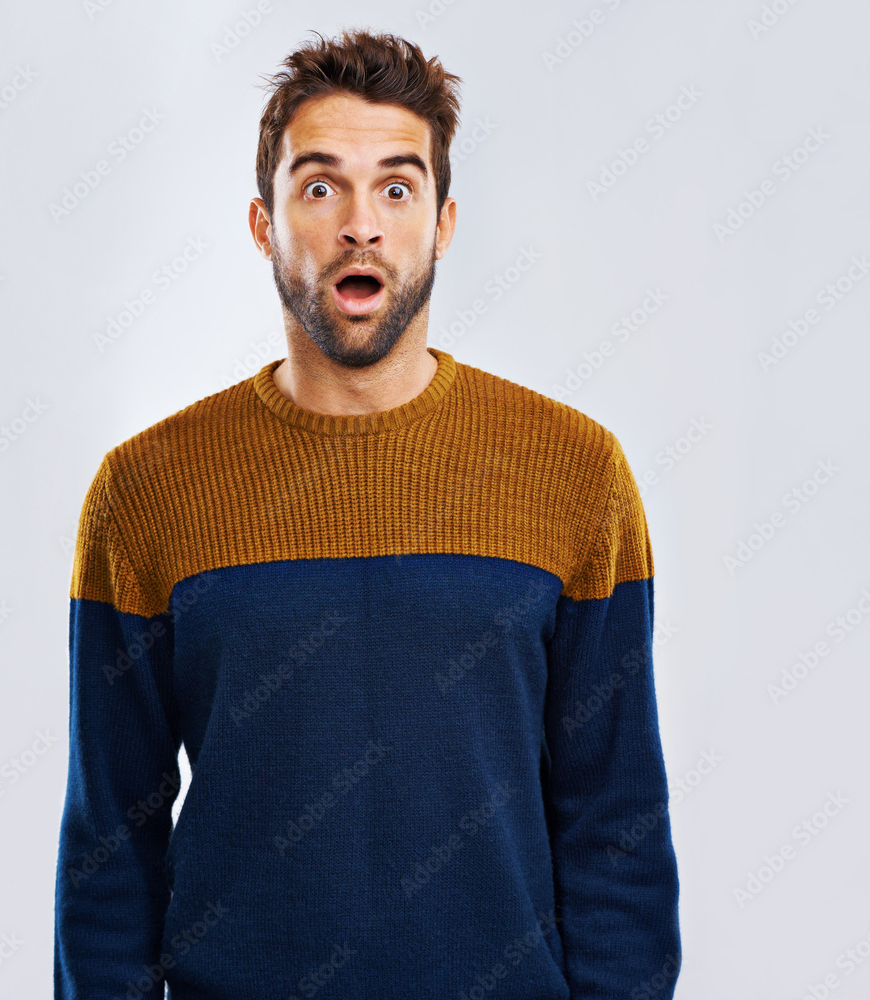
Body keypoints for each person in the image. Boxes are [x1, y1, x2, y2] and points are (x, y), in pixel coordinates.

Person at [53, 27, 681, 1000]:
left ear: (443, 222)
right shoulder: (146, 491)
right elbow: (110, 848)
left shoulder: (574, 472)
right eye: (319, 186)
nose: (361, 223)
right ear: (264, 223)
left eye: (396, 186)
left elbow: (615, 824)